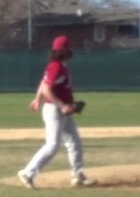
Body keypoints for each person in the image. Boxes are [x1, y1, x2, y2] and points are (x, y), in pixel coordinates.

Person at [17, 35, 96, 189]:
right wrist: (61, 105)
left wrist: (37, 99)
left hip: (62, 110)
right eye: (69, 48)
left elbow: (43, 83)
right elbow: (47, 88)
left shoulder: (58, 65)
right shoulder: (57, 67)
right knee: (52, 145)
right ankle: (28, 173)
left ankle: (77, 175)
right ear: (64, 51)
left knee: (75, 143)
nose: (71, 51)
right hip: (55, 110)